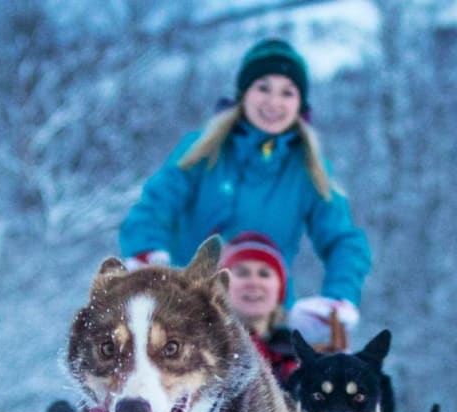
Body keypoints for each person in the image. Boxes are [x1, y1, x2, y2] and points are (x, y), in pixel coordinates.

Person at [119, 37, 371, 344]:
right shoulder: (201, 151)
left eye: (287, 92)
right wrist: (148, 258)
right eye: (263, 87)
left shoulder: (308, 170)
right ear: (243, 94)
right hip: (188, 315)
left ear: (300, 105)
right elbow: (153, 208)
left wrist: (338, 298)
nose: (274, 102)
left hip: (266, 321)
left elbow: (344, 240)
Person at [219, 232, 299, 383]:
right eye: (242, 273)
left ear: (280, 288)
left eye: (264, 274)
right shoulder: (206, 351)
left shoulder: (298, 357)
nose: (254, 282)